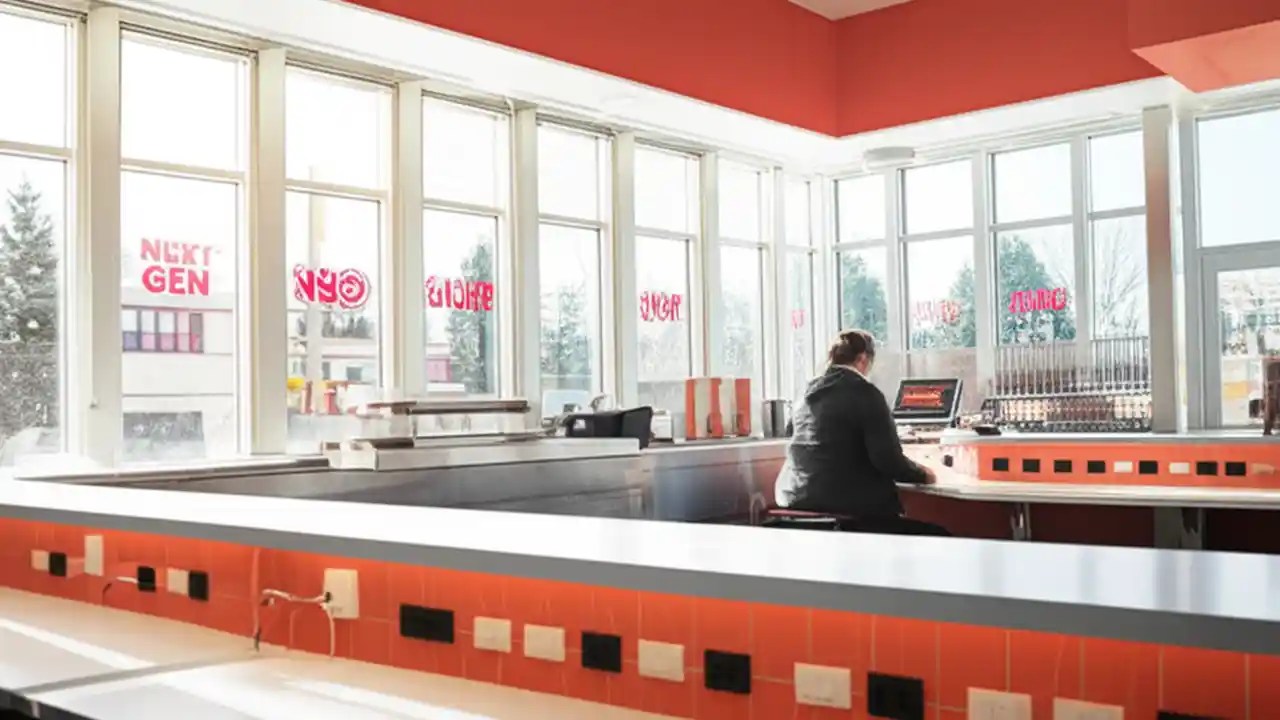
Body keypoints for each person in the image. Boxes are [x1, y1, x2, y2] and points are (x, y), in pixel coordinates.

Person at [775, 329, 951, 537]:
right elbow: (888, 460)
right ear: (862, 359)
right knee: (941, 537)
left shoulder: (805, 394)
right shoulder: (866, 394)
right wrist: (923, 473)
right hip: (849, 514)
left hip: (795, 505)